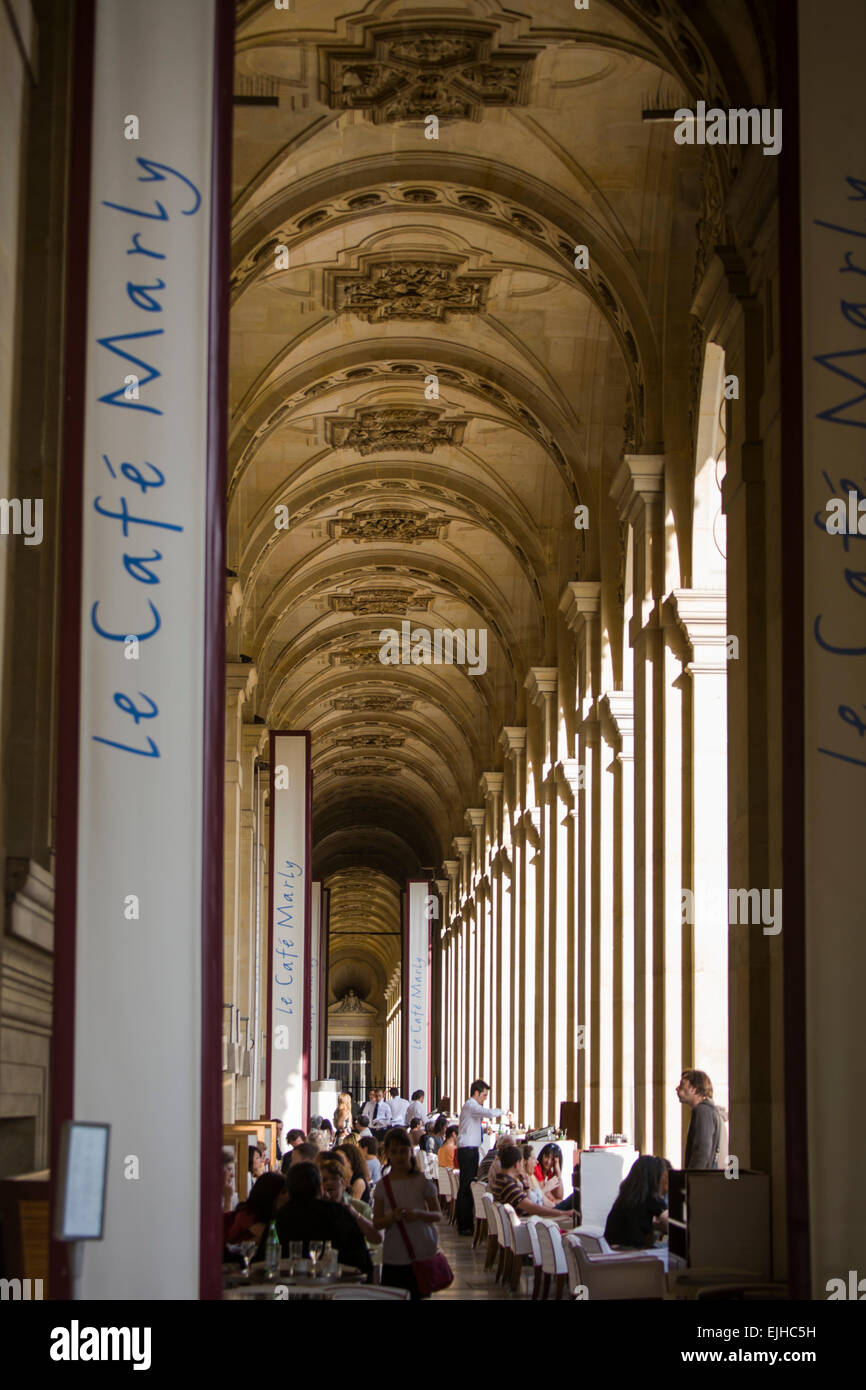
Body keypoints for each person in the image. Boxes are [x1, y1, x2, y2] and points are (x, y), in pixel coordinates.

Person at [373, 1126, 442, 1300]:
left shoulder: (422, 1182)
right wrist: (391, 1218)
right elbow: (377, 1222)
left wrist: (418, 1214)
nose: (399, 1156)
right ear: (387, 1153)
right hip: (394, 1253)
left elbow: (437, 1214)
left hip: (421, 1251)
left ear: (410, 1152)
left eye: (403, 1151)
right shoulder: (383, 1186)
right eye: (394, 1152)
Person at [275, 1162, 372, 1279]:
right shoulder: (337, 1212)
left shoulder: (282, 1216)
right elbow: (360, 1254)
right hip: (341, 1280)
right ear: (319, 1186)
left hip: (293, 1279)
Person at [456, 1080, 509, 1234]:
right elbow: (489, 1113)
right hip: (467, 1151)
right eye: (484, 1095)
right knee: (466, 1187)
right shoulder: (471, 1105)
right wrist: (504, 1111)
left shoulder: (471, 1107)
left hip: (469, 1150)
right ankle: (465, 1226)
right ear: (476, 1093)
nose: (485, 1098)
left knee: (467, 1186)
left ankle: (465, 1224)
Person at [603, 1156, 669, 1249]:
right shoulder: (652, 1199)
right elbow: (672, 1224)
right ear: (655, 1178)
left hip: (611, 1250)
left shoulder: (625, 1197)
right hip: (630, 1252)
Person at [318, 1155, 382, 1246]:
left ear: (344, 1184)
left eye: (334, 1178)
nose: (329, 1183)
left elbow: (377, 1238)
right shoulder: (315, 1208)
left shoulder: (360, 1208)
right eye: (324, 1180)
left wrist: (354, 1214)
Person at [491, 1144, 557, 1220]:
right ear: (517, 1164)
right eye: (522, 1162)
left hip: (525, 1221)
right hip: (525, 1225)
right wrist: (563, 1213)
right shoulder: (508, 1184)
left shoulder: (501, 1179)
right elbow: (532, 1208)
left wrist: (526, 1187)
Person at [227, 1171, 287, 1249]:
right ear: (271, 1195)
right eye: (283, 1192)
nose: (287, 1195)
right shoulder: (246, 1214)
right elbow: (273, 1237)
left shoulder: (271, 1214)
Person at [676, 1068, 722, 1169]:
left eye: (682, 1085)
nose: (677, 1088)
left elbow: (702, 1150)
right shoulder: (708, 1110)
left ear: (695, 1089)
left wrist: (692, 1178)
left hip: (701, 1180)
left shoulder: (702, 1111)